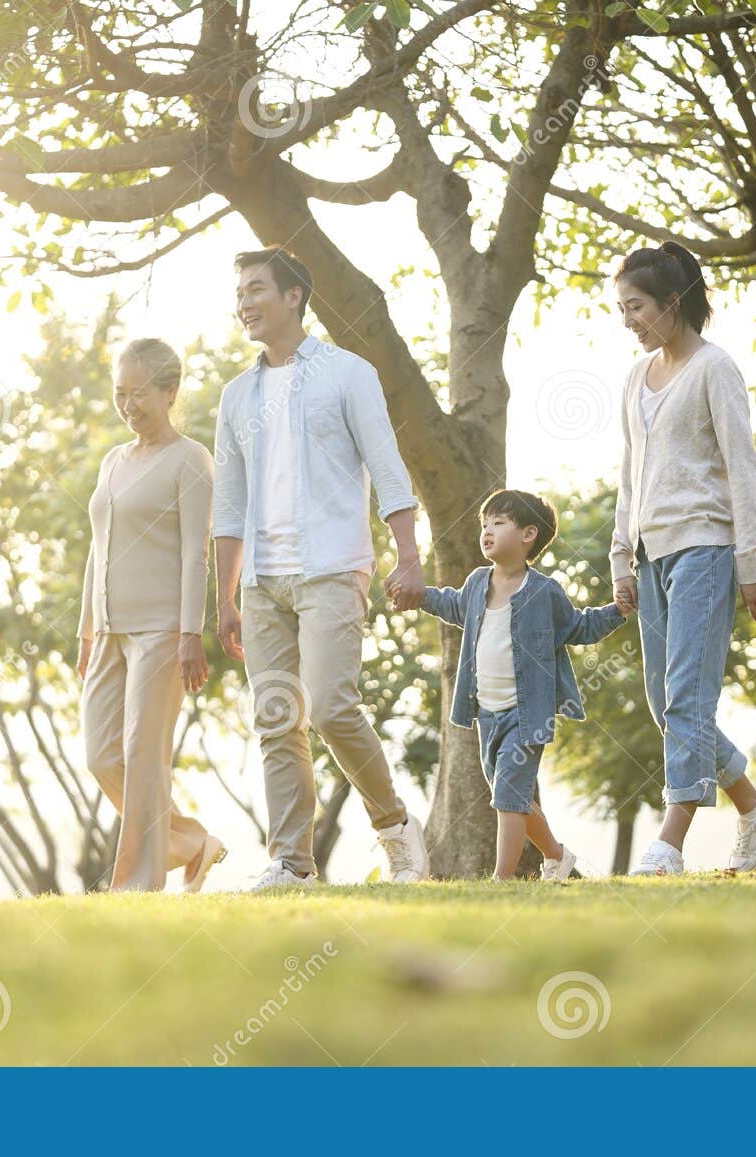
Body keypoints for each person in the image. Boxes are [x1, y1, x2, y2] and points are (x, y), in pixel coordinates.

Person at [212, 246, 430, 890]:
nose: (245, 304)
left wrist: (408, 553)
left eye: (256, 289)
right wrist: (224, 596)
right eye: (240, 293)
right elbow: (229, 503)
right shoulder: (235, 396)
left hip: (332, 566)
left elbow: (387, 466)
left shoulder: (347, 373)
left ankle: (394, 827)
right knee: (277, 720)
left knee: (333, 708)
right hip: (261, 582)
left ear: (293, 297)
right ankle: (294, 863)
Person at [609, 241, 756, 875]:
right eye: (622, 308)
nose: (628, 319)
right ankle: (755, 808)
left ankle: (671, 841)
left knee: (687, 697)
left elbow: (745, 468)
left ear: (672, 302)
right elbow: (631, 473)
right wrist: (620, 558)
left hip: (706, 550)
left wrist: (749, 561)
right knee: (665, 703)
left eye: (636, 307)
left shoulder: (716, 369)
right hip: (652, 553)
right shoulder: (636, 377)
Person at [415, 489, 629, 880]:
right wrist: (419, 595)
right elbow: (451, 605)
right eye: (484, 524)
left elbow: (580, 627)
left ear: (529, 534)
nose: (487, 531)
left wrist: (618, 611)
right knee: (511, 795)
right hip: (486, 713)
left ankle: (502, 879)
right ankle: (557, 856)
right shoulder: (477, 583)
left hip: (528, 715)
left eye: (498, 523)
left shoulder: (544, 592)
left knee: (508, 796)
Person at [78, 338, 227, 893]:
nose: (129, 405)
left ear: (169, 391)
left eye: (139, 393)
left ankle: (136, 885)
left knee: (144, 753)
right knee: (100, 754)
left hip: (163, 629)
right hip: (109, 629)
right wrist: (86, 630)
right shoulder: (113, 460)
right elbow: (98, 547)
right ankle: (190, 842)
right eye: (121, 394)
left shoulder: (191, 460)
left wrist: (193, 631)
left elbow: (197, 553)